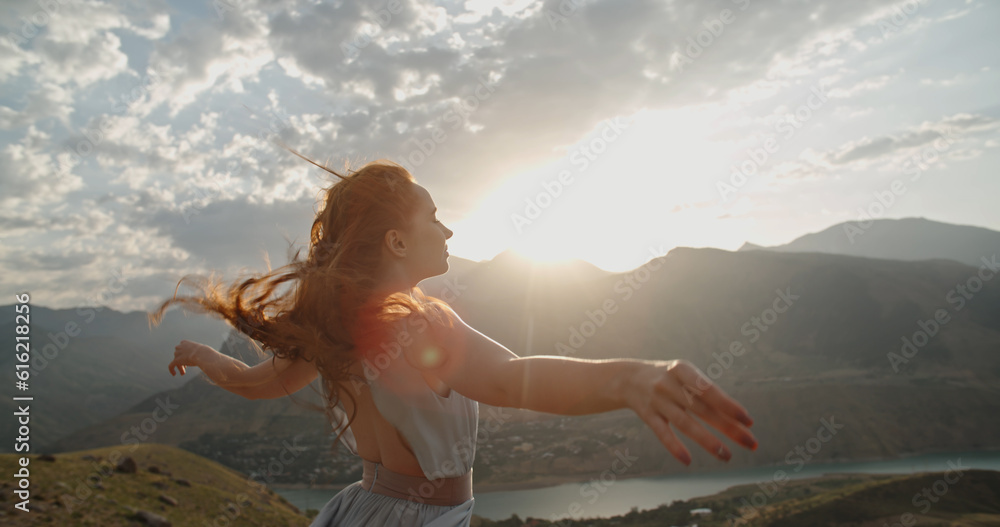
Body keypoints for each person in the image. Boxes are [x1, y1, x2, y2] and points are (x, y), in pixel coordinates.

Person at [149, 147, 758, 527]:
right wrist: (625, 378)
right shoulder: (415, 323)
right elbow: (509, 378)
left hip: (367, 511)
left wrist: (206, 358)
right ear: (396, 241)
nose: (448, 228)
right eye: (433, 216)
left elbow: (261, 385)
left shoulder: (334, 323)